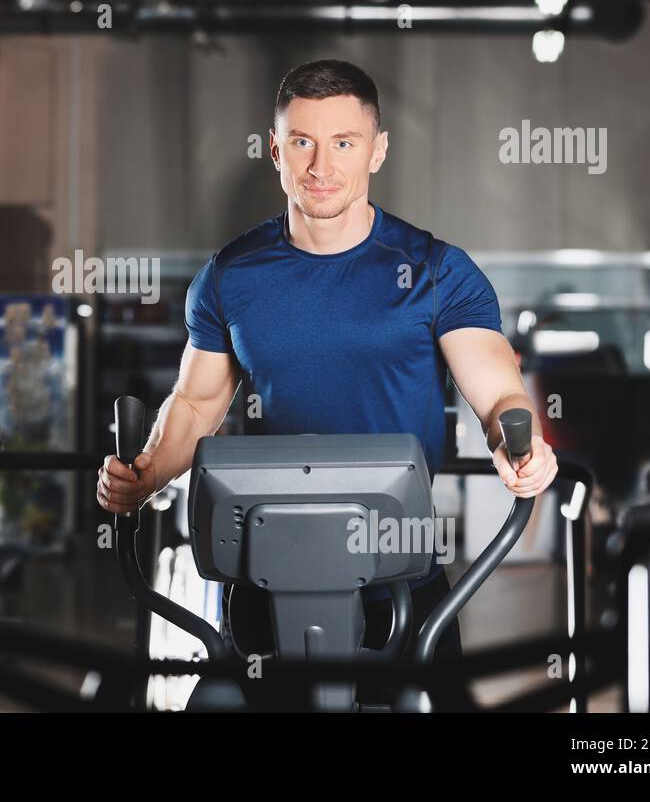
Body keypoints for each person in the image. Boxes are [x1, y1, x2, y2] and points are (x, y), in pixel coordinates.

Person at [96, 59, 558, 707]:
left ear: (378, 150)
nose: (321, 166)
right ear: (275, 149)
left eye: (344, 142)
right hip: (265, 574)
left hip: (401, 576)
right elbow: (197, 405)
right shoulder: (232, 276)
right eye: (303, 143)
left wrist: (521, 446)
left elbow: (497, 391)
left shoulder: (435, 271)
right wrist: (146, 473)